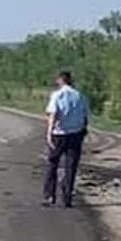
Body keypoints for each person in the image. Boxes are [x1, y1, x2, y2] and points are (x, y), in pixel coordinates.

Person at [43, 70, 90, 207]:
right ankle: (67, 196)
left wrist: (49, 133)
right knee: (71, 166)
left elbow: (53, 114)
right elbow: (85, 116)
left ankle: (50, 195)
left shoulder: (57, 95)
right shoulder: (80, 96)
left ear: (60, 80)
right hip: (75, 134)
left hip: (59, 133)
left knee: (53, 163)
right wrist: (83, 130)